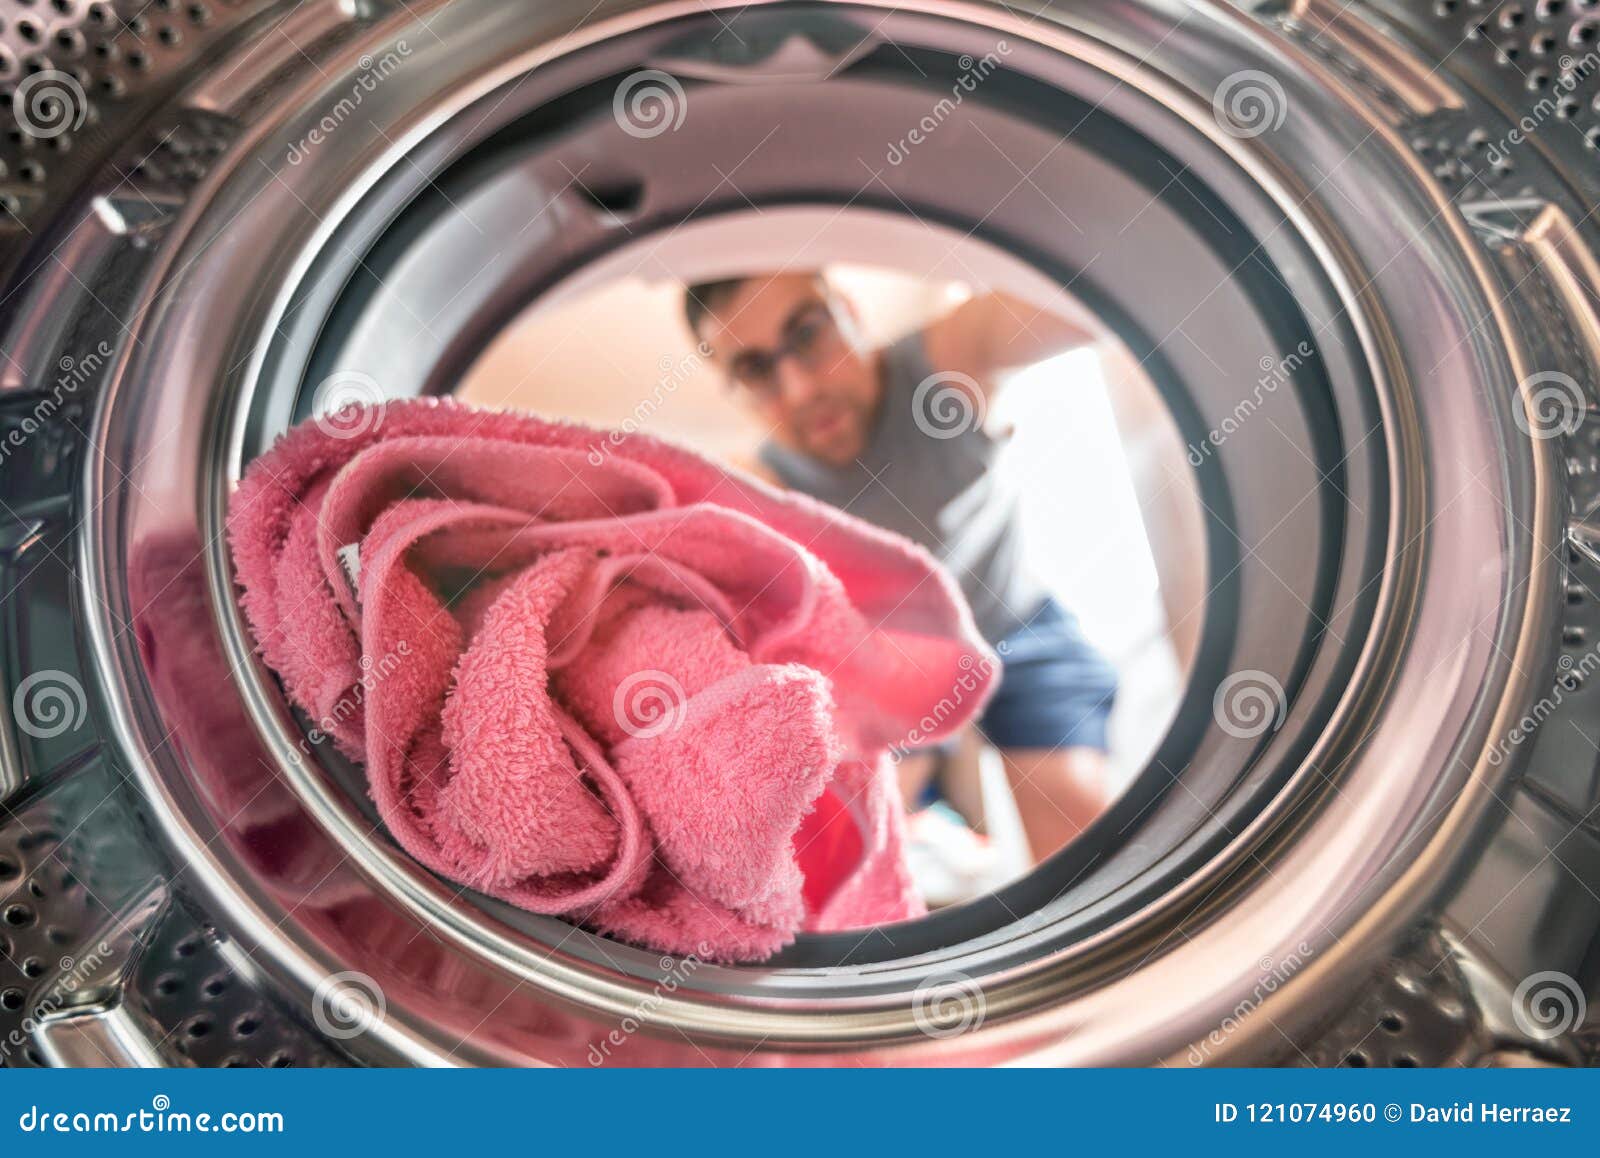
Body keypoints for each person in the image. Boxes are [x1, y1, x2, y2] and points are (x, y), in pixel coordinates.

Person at [684, 271, 1120, 863]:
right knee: (857, 848)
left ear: (851, 315)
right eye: (756, 370)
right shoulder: (763, 486)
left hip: (1015, 624)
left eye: (808, 333)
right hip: (890, 668)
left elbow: (1101, 283)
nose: (800, 387)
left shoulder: (947, 365)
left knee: (1080, 830)